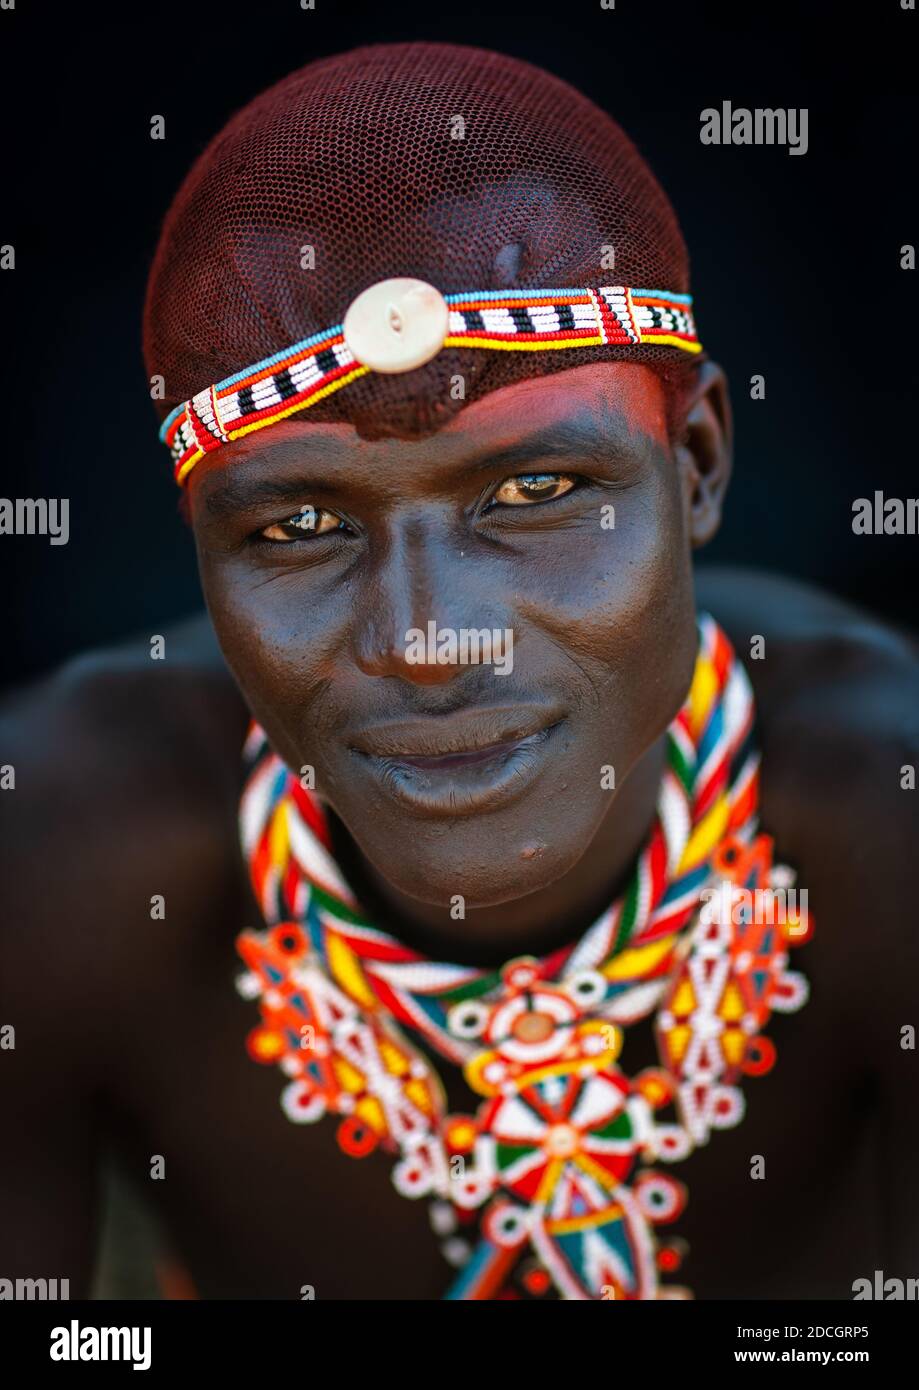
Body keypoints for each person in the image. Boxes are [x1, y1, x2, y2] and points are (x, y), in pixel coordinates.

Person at [1, 42, 916, 1302]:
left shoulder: (887, 818)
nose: (426, 639)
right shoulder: (54, 853)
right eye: (298, 527)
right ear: (203, 555)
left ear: (695, 463)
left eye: (537, 492)